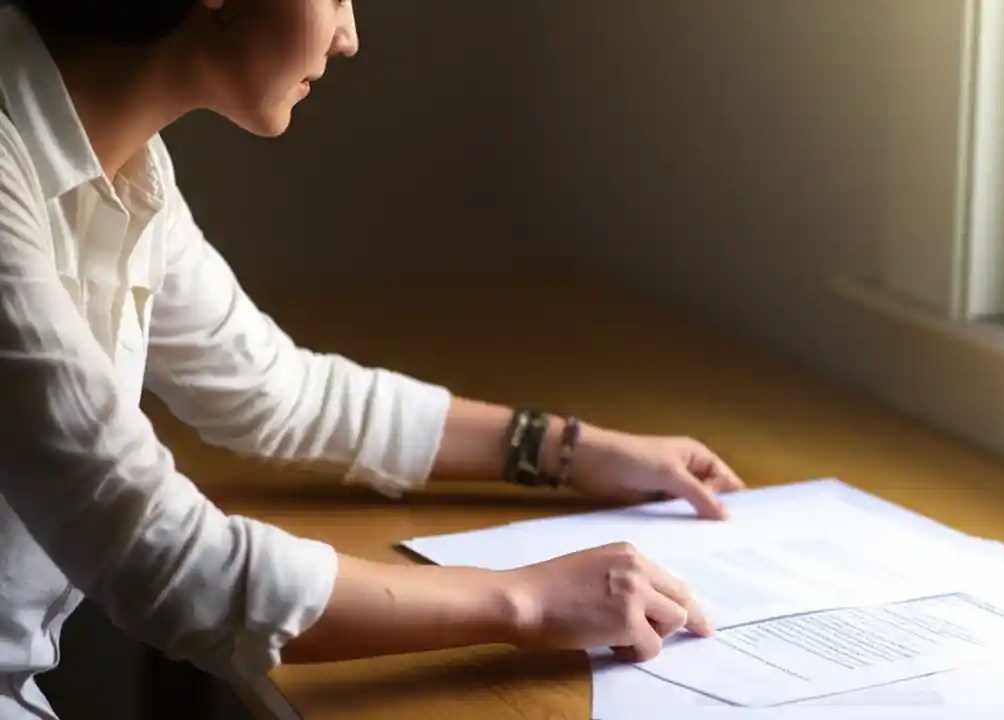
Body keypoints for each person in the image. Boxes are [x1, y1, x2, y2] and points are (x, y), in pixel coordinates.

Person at [0, 1, 748, 716]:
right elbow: (166, 559)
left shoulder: (124, 163)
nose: (349, 35)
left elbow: (276, 391)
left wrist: (574, 451)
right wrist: (525, 602)